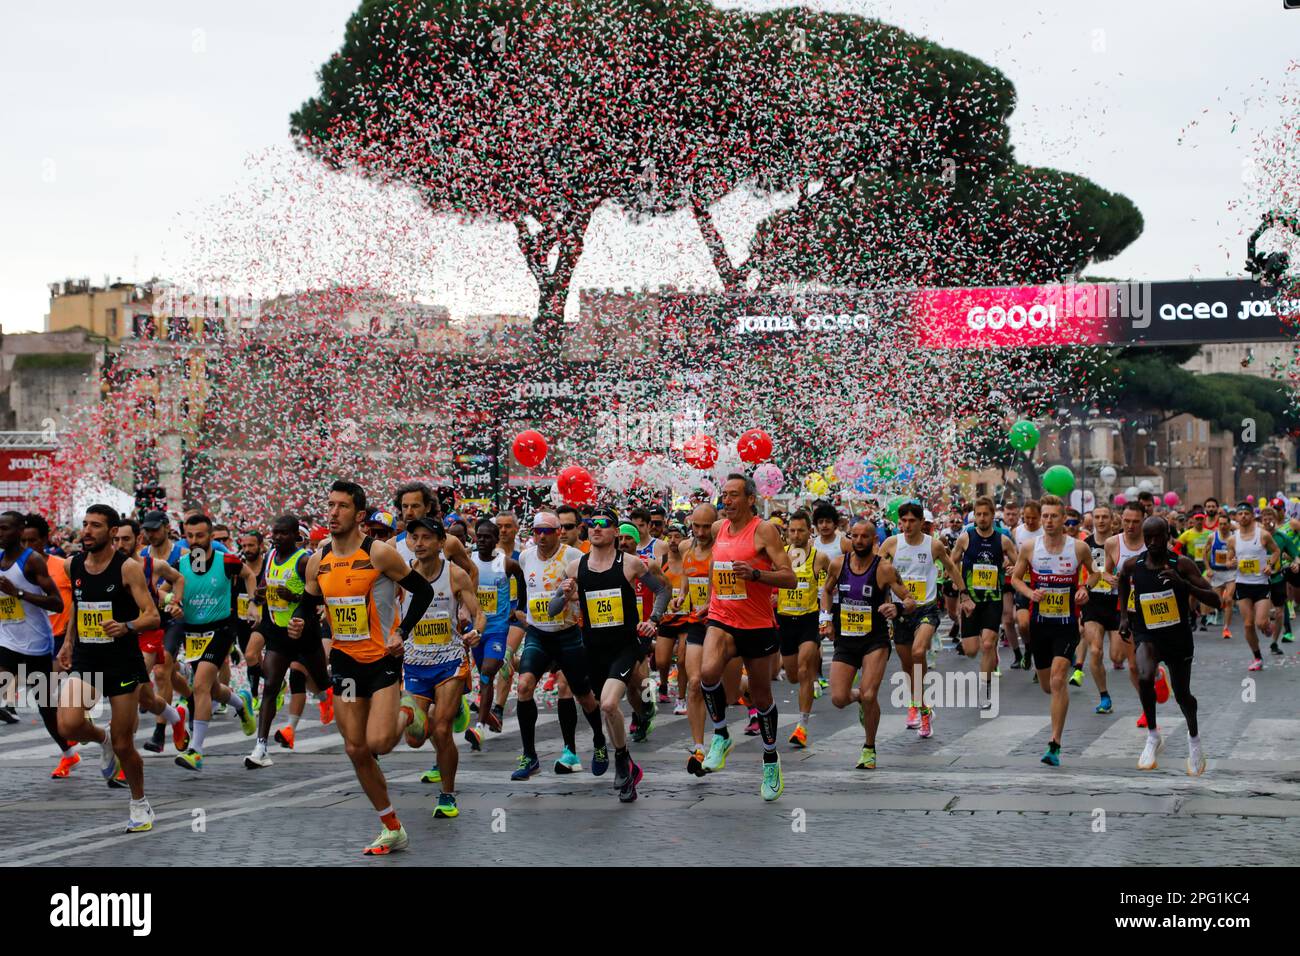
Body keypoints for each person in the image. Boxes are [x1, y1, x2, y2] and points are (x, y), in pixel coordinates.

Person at [289, 480, 435, 855]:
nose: (333, 512)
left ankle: (409, 710)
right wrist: (298, 621)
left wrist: (401, 630)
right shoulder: (318, 559)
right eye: (330, 504)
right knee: (356, 749)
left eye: (341, 506)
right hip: (346, 664)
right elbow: (308, 602)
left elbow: (424, 591)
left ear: (359, 515)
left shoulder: (380, 553)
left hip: (382, 660)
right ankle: (392, 827)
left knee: (380, 744)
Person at [56, 505, 168, 833]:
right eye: (85, 525)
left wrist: (127, 626)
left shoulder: (127, 568)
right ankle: (100, 738)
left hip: (121, 661)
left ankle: (139, 803)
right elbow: (79, 605)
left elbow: (153, 615)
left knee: (124, 744)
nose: (87, 531)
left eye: (95, 526)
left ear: (111, 531)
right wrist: (68, 642)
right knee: (69, 724)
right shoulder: (72, 564)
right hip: (87, 659)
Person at [553, 507, 669, 802]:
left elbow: (662, 591)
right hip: (592, 648)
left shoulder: (630, 564)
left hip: (625, 647)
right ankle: (627, 762)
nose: (596, 528)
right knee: (603, 706)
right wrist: (562, 595)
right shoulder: (574, 568)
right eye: (591, 524)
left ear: (616, 531)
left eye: (604, 524)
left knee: (607, 704)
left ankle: (620, 759)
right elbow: (554, 609)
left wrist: (652, 620)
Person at [698, 474, 797, 802]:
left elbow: (789, 578)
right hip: (722, 617)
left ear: (750, 499)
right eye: (724, 495)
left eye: (733, 495)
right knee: (707, 673)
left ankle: (770, 760)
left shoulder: (764, 530)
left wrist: (756, 575)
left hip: (756, 624)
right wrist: (708, 601)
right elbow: (715, 569)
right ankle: (721, 735)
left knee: (761, 696)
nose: (726, 501)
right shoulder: (717, 529)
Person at [1118, 516, 1221, 774]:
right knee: (1143, 677)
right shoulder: (1134, 565)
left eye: (1158, 537)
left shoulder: (1181, 564)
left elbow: (1216, 599)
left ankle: (1194, 741)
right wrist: (1123, 617)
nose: (1153, 542)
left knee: (1182, 694)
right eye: (1148, 537)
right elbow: (1121, 579)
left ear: (1168, 536)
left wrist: (1183, 585)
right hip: (1146, 633)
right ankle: (1153, 736)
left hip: (1177, 637)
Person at [510, 510, 608, 780]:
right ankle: (529, 756)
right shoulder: (525, 556)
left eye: (547, 531)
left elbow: (590, 590)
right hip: (538, 634)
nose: (542, 536)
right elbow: (523, 586)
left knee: (584, 696)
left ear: (557, 533)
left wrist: (574, 598)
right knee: (524, 686)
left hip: (567, 634)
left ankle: (599, 742)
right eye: (537, 531)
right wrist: (520, 611)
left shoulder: (573, 557)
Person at [397, 517, 483, 819]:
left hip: (449, 660)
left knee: (443, 729)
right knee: (415, 737)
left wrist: (475, 630)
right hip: (415, 663)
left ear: (440, 542)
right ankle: (452, 707)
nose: (419, 543)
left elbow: (478, 613)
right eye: (414, 538)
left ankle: (447, 795)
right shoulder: (402, 575)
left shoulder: (456, 574)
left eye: (426, 538)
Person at [1009, 495, 1096, 766]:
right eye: (1044, 516)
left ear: (1063, 519)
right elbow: (1015, 578)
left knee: (1059, 680)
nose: (1048, 521)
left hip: (1067, 625)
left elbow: (1094, 573)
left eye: (1053, 516)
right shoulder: (1029, 547)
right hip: (1040, 625)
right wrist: (1028, 592)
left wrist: (1085, 588)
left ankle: (1054, 744)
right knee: (1048, 686)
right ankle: (1055, 722)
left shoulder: (1078, 548)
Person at [821, 517, 912, 769]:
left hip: (875, 640)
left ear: (875, 541)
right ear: (850, 538)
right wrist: (825, 619)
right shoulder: (838, 565)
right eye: (854, 536)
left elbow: (911, 600)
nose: (859, 541)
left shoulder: (884, 569)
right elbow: (827, 591)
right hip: (846, 640)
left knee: (870, 693)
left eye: (864, 537)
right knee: (838, 698)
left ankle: (869, 748)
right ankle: (860, 699)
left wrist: (897, 607)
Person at [243, 515, 333, 769]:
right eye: (275, 532)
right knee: (271, 685)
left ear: (295, 535)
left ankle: (331, 701)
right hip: (278, 632)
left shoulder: (304, 560)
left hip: (305, 633)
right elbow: (265, 583)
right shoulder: (271, 555)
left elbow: (321, 597)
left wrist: (292, 595)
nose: (278, 537)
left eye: (283, 533)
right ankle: (261, 747)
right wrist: (261, 594)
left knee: (322, 681)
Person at [172, 514, 259, 771]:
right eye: (190, 536)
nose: (195, 541)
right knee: (210, 688)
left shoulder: (227, 561)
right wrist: (171, 601)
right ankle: (240, 703)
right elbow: (164, 588)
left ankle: (196, 751)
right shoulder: (180, 564)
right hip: (192, 634)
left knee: (199, 686)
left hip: (221, 629)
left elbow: (250, 576)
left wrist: (254, 602)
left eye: (200, 535)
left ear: (211, 536)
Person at [879, 502, 966, 738]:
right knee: (907, 665)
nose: (907, 525)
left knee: (918, 653)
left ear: (921, 523)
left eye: (912, 521)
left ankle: (923, 712)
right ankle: (918, 703)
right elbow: (876, 570)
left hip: (926, 609)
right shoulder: (891, 544)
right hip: (900, 611)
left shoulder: (934, 545)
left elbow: (952, 567)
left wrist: (964, 593)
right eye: (903, 521)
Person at [0, 511, 73, 774]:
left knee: (45, 707)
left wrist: (18, 593)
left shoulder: (32, 561)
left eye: (5, 528)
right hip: (7, 640)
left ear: (20, 531)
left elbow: (57, 602)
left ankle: (69, 753)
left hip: (36, 644)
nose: (0, 533)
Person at [463, 518, 525, 751]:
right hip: (476, 629)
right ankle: (492, 718)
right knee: (484, 678)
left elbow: (521, 581)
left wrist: (519, 608)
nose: (482, 540)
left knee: (489, 670)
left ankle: (479, 728)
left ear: (496, 540)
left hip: (498, 629)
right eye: (479, 536)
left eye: (487, 537)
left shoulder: (506, 564)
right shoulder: (469, 563)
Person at [949, 496, 1017, 710]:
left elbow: (1020, 562)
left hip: (993, 599)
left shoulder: (1003, 540)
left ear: (992, 516)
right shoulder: (965, 538)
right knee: (971, 650)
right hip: (970, 600)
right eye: (978, 514)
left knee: (987, 644)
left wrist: (1014, 569)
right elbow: (952, 564)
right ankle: (987, 647)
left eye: (985, 514)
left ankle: (984, 689)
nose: (981, 518)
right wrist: (960, 591)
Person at [776, 510, 829, 747]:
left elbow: (828, 589)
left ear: (810, 532)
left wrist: (828, 619)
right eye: (792, 531)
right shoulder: (780, 557)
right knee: (792, 676)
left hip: (809, 619)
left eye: (801, 530)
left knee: (805, 668)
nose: (796, 535)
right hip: (785, 621)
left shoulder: (820, 558)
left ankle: (802, 726)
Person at [676, 504, 716, 776]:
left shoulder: (722, 548)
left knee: (726, 687)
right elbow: (686, 578)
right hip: (696, 623)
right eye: (696, 527)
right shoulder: (685, 549)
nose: (701, 532)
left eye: (706, 527)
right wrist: (681, 595)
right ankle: (699, 747)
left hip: (722, 622)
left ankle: (747, 692)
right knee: (694, 683)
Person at [1074, 502, 1122, 714]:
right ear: (1092, 519)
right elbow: (1077, 573)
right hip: (1093, 603)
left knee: (1117, 657)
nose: (1101, 520)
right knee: (1095, 650)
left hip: (1117, 604)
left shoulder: (1121, 544)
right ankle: (1104, 696)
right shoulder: (1085, 545)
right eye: (1097, 516)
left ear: (1112, 520)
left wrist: (1120, 580)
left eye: (1105, 516)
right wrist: (1080, 593)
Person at [1224, 503, 1280, 672]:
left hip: (1261, 584)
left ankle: (1267, 625)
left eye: (1246, 513)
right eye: (1240, 514)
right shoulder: (1233, 539)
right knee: (1248, 625)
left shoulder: (1262, 535)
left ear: (1252, 516)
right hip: (1243, 584)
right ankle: (1257, 657)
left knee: (1260, 622)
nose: (1243, 516)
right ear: (1236, 517)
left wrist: (1270, 565)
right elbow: (1228, 561)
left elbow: (1276, 551)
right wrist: (1231, 563)